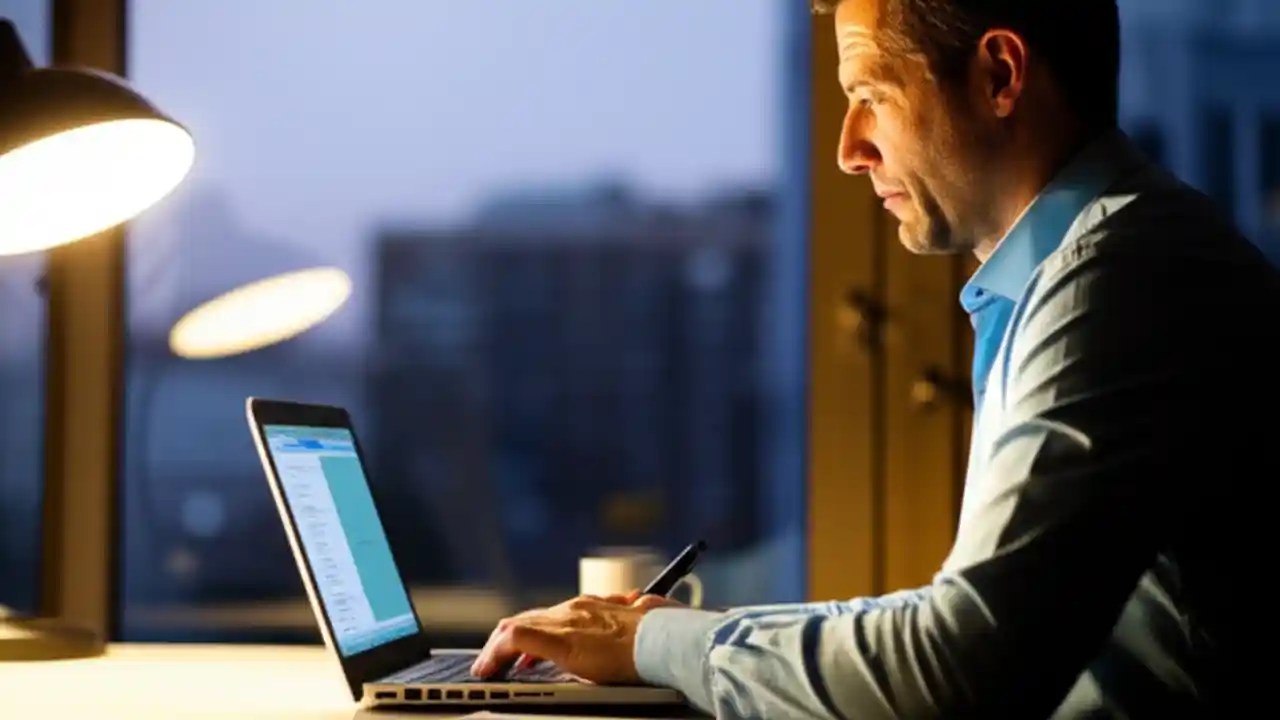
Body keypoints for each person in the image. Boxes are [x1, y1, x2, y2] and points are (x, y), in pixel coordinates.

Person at [470, 0, 1280, 716]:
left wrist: (658, 648)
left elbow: (962, 665)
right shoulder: (1086, 268)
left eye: (869, 96)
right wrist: (663, 635)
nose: (847, 150)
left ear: (999, 75)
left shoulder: (1116, 284)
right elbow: (960, 625)